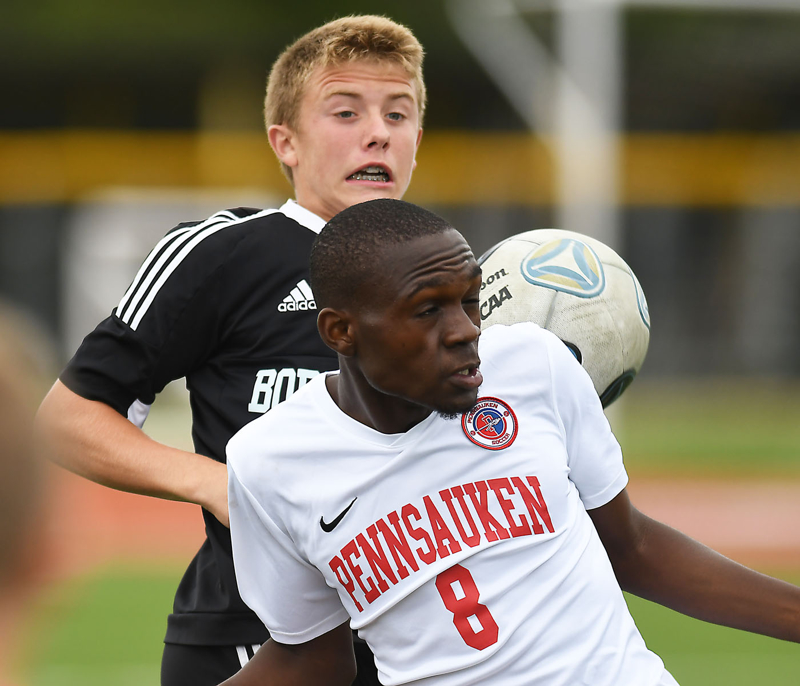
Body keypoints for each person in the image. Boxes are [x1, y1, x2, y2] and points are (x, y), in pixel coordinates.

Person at [223, 198, 800, 686]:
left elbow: (632, 547)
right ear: (340, 331)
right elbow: (313, 659)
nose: (467, 331)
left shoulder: (533, 363)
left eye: (470, 299)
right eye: (428, 310)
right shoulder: (268, 462)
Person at [34, 15, 425, 686]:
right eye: (345, 111)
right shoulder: (224, 254)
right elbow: (68, 419)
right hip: (248, 640)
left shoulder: (446, 276)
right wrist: (211, 483)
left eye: (399, 112)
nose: (378, 132)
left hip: (415, 640)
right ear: (287, 142)